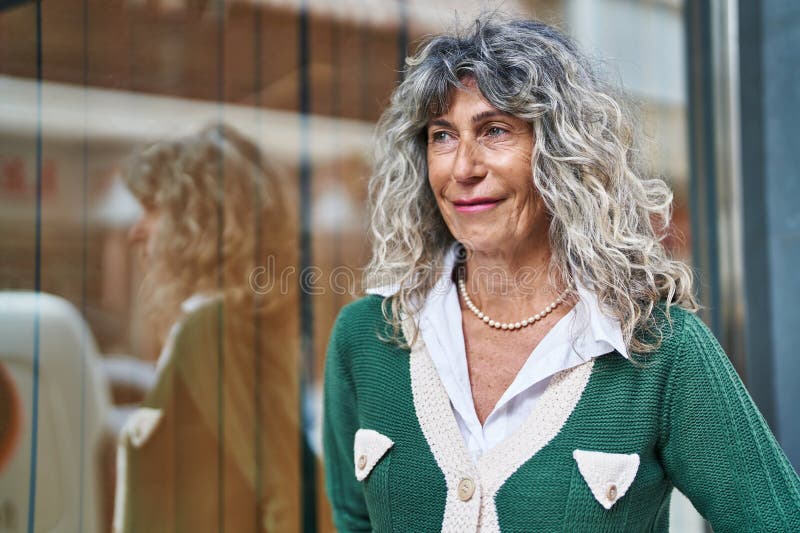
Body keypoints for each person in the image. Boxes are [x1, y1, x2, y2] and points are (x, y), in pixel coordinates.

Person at [323, 17, 800, 532]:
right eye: (442, 136)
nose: (462, 168)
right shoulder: (366, 338)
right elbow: (354, 520)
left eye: (495, 130)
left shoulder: (659, 351)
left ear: (561, 154)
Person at [113, 124, 300, 532]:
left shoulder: (211, 329)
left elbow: (287, 494)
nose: (135, 231)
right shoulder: (207, 326)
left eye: (151, 208)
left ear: (195, 219)